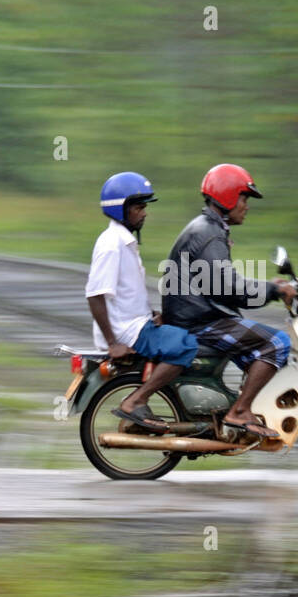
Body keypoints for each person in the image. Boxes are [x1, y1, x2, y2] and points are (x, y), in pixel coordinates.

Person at [161, 163, 298, 439]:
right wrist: (273, 291)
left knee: (255, 341)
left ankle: (243, 407)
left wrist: (270, 287)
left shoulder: (209, 229)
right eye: (244, 198)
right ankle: (239, 411)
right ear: (226, 196)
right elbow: (230, 288)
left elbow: (224, 281)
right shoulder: (209, 234)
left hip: (196, 314)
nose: (246, 206)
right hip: (201, 321)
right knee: (277, 342)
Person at [85, 171, 198, 434]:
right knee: (185, 344)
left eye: (144, 207)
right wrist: (113, 343)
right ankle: (137, 399)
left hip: (135, 323)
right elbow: (95, 294)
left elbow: (127, 293)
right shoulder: (111, 245)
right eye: (138, 207)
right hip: (126, 331)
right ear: (120, 209)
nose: (144, 213)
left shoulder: (125, 241)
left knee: (185, 330)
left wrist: (152, 314)